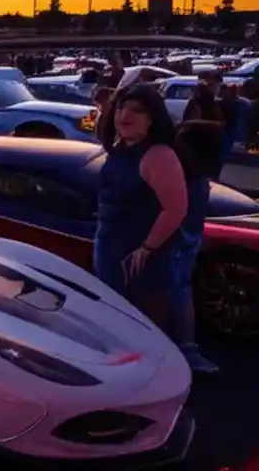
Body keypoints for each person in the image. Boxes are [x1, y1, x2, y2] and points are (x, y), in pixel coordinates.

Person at [94, 84, 188, 328]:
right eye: (121, 108)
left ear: (151, 119)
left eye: (136, 110)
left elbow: (175, 209)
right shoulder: (121, 149)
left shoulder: (158, 155)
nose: (124, 115)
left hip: (137, 253)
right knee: (113, 316)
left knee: (138, 321)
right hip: (110, 245)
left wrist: (147, 248)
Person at [169, 120, 222, 374]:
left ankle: (184, 349)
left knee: (176, 292)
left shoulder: (185, 176)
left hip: (178, 240)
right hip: (189, 237)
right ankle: (186, 347)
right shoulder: (199, 176)